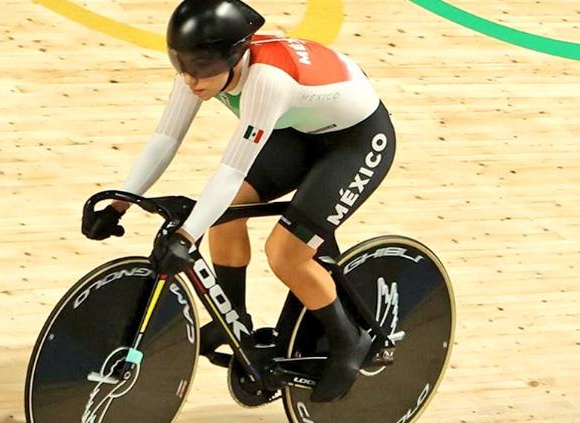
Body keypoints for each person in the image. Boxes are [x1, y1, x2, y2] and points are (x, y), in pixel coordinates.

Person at [81, 0, 395, 403]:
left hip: (356, 142)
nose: (192, 80)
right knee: (223, 216)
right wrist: (120, 204)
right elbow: (165, 139)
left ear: (234, 57)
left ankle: (348, 342)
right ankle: (235, 319)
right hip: (299, 130)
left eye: (203, 69)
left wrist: (186, 234)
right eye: (183, 65)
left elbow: (230, 171)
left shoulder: (267, 81)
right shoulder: (200, 70)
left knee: (286, 253)